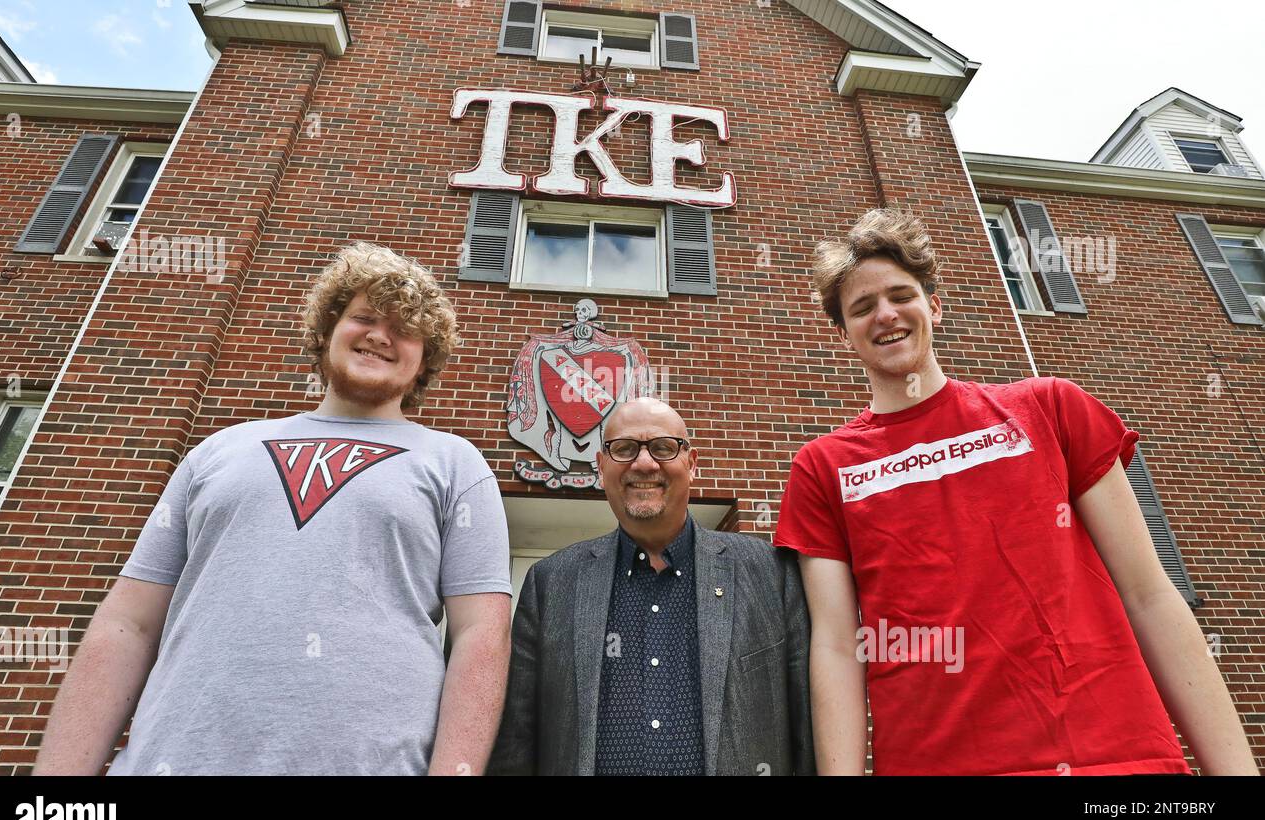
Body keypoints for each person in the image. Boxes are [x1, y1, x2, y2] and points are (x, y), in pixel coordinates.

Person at [776, 209, 1258, 776]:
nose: (885, 314)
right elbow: (835, 647)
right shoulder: (822, 466)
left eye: (900, 295)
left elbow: (1148, 594)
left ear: (934, 305)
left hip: (1113, 761)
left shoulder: (1050, 408)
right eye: (862, 308)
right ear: (845, 335)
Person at [33, 242, 512, 775]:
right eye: (364, 318)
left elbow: (480, 636)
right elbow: (128, 623)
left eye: (404, 328)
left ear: (426, 358)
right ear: (328, 330)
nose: (380, 335)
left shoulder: (455, 464)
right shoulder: (217, 451)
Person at [490, 397, 814, 775]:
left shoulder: (771, 575)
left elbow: (807, 728)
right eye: (624, 449)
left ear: (691, 465)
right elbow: (516, 742)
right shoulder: (550, 584)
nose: (644, 463)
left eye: (663, 447)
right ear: (601, 467)